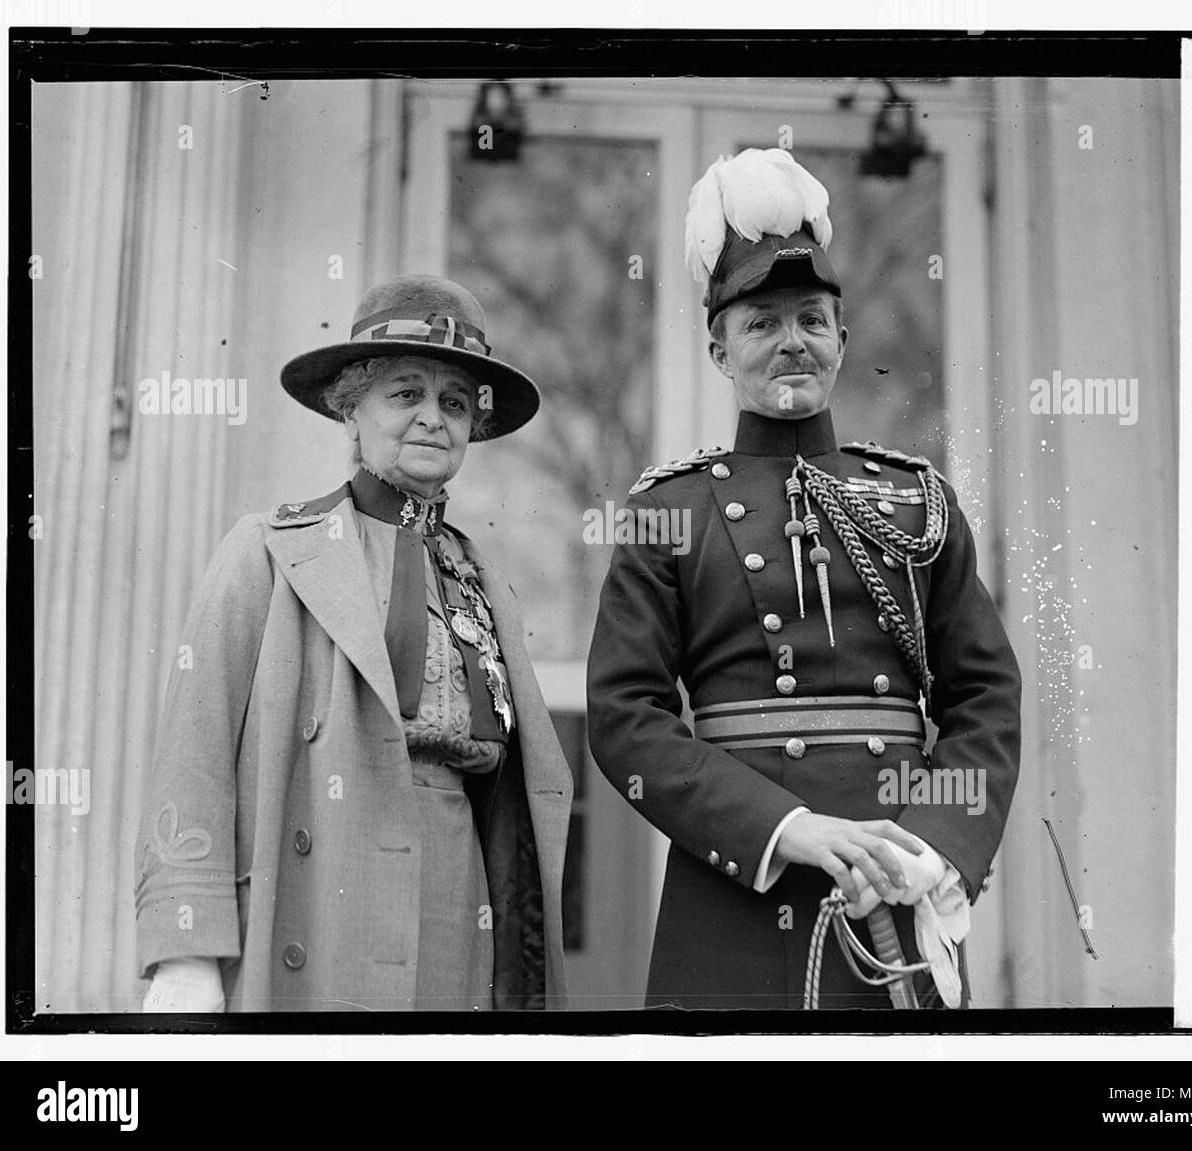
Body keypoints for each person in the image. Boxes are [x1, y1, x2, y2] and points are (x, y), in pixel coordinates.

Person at [586, 149, 1021, 1010]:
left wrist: (931, 850)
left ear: (843, 340)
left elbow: (986, 698)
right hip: (733, 897)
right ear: (718, 347)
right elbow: (624, 717)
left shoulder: (916, 500)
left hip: (893, 892)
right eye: (762, 323)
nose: (793, 342)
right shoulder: (666, 510)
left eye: (813, 320)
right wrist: (784, 827)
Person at [135, 274, 573, 1012]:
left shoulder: (485, 579)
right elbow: (193, 751)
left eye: (455, 402)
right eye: (406, 394)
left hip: (455, 908)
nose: (433, 418)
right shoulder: (268, 551)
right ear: (350, 410)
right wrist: (187, 948)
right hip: (320, 900)